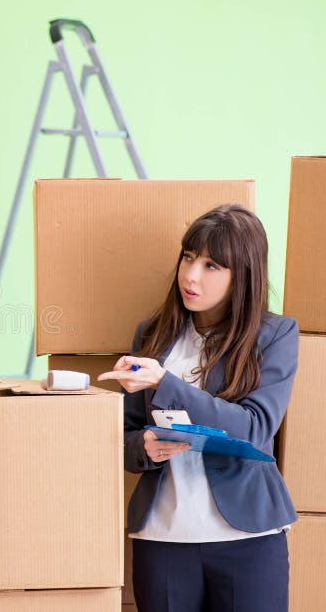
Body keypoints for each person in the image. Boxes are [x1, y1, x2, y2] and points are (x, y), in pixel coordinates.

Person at [98, 204, 298, 612]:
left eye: (211, 266)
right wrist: (145, 448)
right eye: (188, 257)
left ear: (242, 275)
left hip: (249, 540)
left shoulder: (274, 335)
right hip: (164, 539)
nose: (190, 275)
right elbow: (125, 436)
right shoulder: (152, 335)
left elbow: (255, 428)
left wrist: (165, 383)